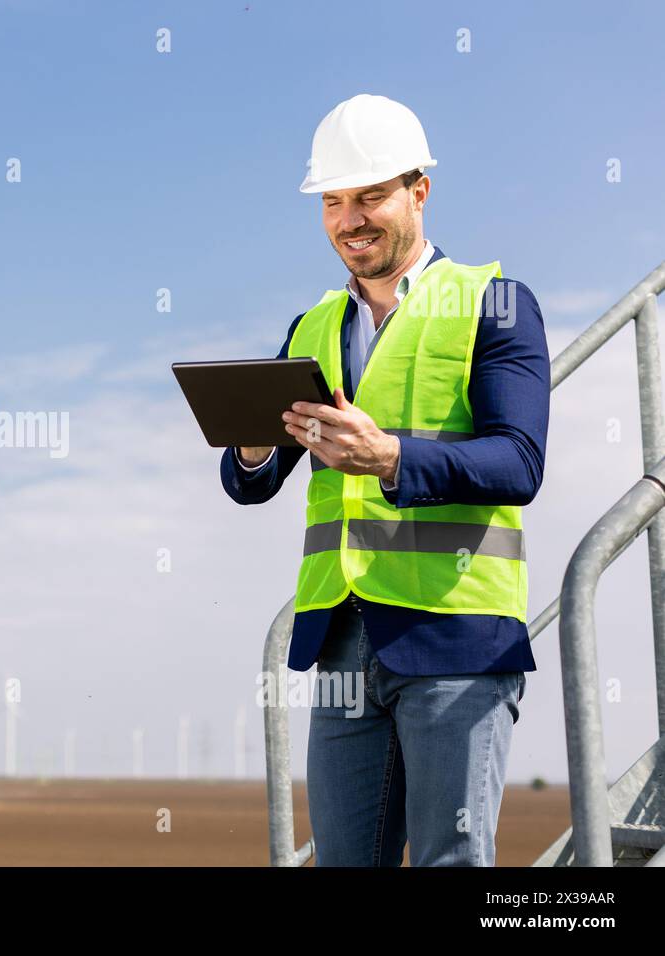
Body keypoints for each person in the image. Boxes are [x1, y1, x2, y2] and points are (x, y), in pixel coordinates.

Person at [222, 94, 550, 866]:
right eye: (333, 201)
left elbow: (520, 462)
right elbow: (253, 484)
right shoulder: (309, 329)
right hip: (341, 640)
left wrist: (394, 458)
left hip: (456, 636)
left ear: (419, 190)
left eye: (370, 196)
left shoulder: (493, 302)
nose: (350, 219)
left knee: (450, 861)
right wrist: (249, 450)